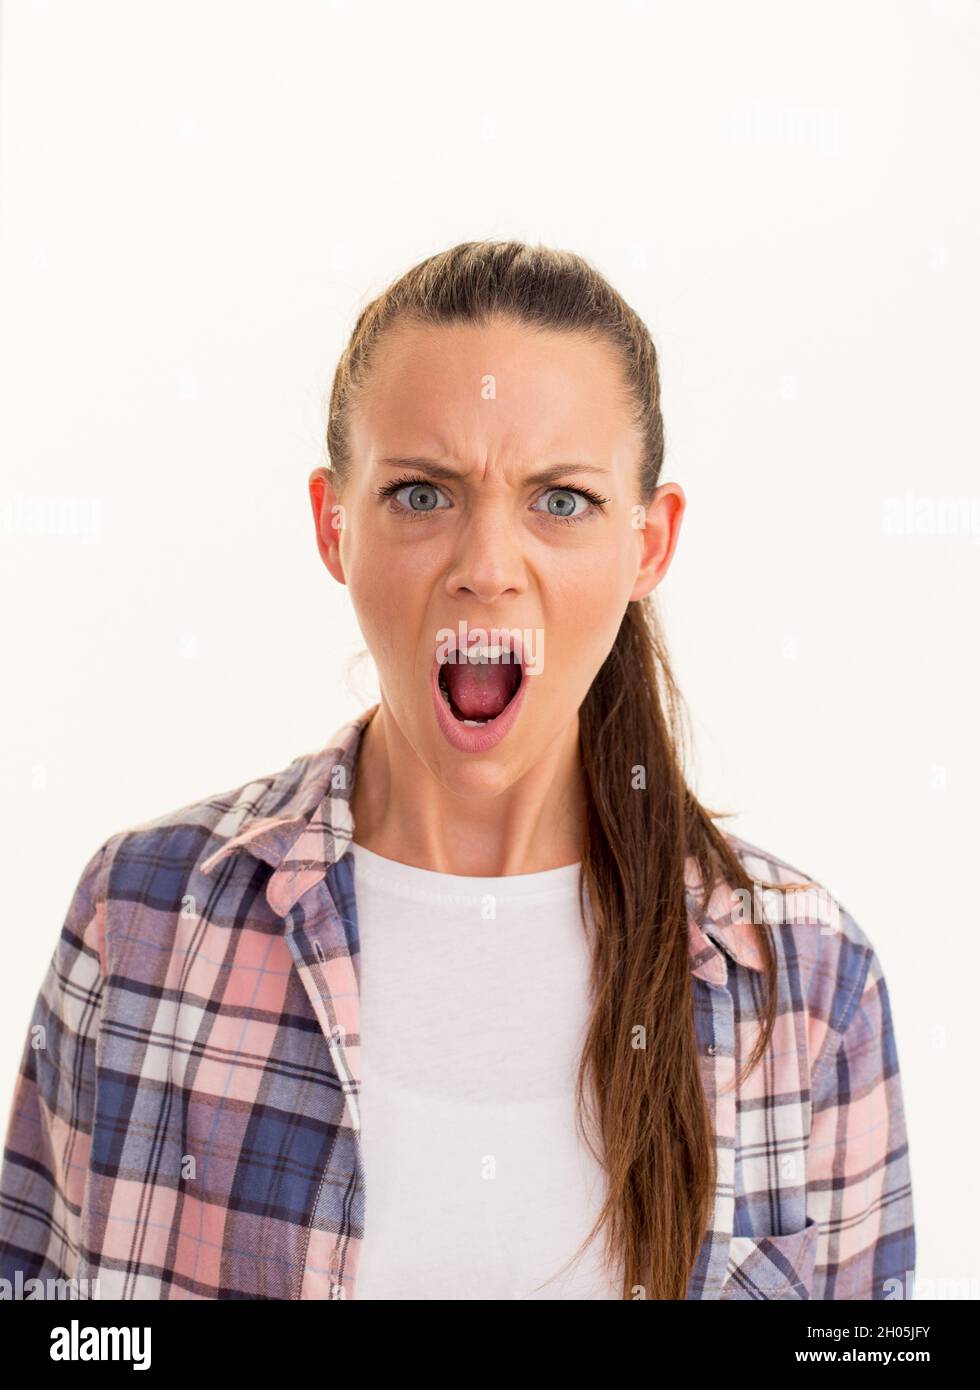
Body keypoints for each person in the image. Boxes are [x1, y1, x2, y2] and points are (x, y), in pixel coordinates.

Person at [0, 240, 914, 1300]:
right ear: (331, 525)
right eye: (422, 495)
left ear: (647, 546)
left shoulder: (804, 982)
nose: (485, 568)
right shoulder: (147, 916)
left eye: (560, 500)